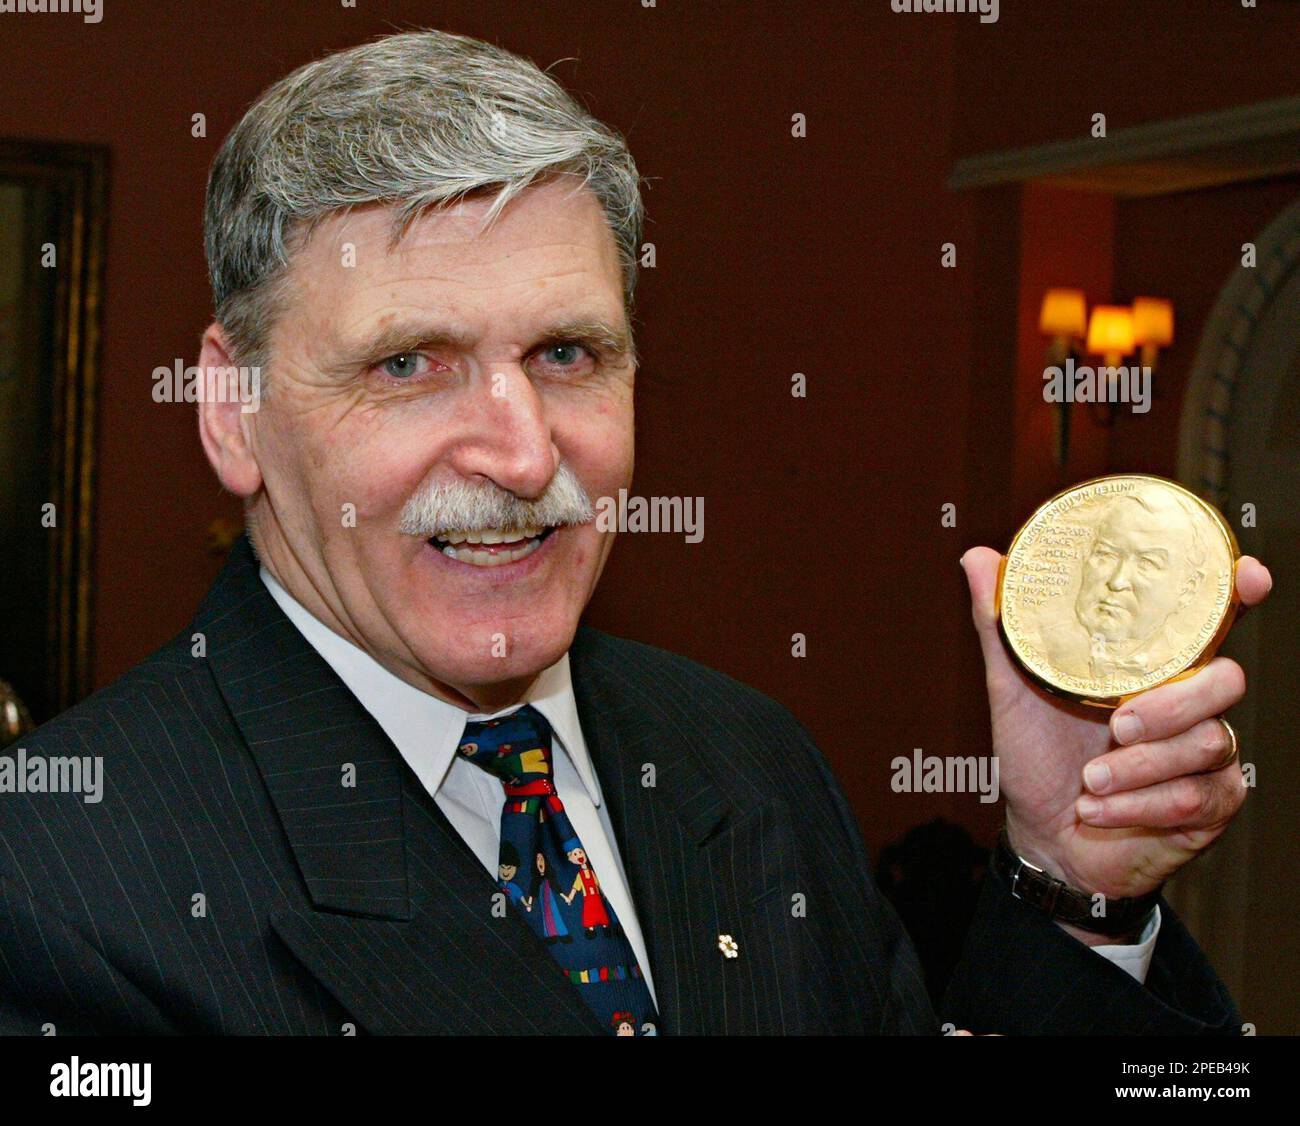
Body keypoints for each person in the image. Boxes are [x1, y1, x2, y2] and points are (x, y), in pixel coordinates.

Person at [0, 29, 1269, 1035]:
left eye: (566, 353)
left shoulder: (739, 757)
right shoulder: (62, 876)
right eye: (407, 365)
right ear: (234, 410)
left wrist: (1070, 886)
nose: (522, 451)